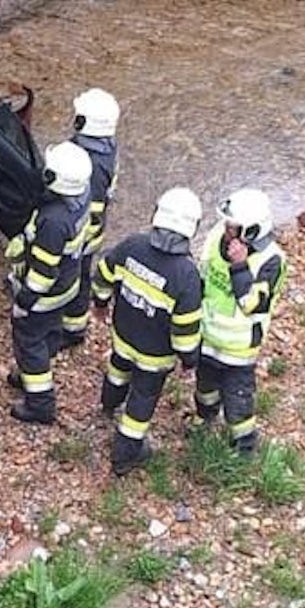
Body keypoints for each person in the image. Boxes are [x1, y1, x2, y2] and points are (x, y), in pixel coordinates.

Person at [91, 187, 204, 475]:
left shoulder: (132, 245)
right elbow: (186, 329)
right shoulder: (187, 274)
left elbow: (103, 274)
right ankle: (125, 455)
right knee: (142, 400)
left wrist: (101, 303)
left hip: (123, 334)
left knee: (117, 370)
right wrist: (189, 359)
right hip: (155, 355)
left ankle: (108, 405)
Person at [193, 188, 288, 456]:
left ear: (251, 231)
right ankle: (205, 417)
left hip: (238, 349)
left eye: (233, 227)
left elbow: (251, 305)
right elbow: (203, 276)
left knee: (238, 403)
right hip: (207, 338)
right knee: (204, 388)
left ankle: (245, 446)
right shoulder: (215, 236)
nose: (226, 230)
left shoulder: (271, 260)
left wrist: (239, 265)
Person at [6, 141, 93, 424]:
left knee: (29, 342)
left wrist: (24, 301)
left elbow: (43, 273)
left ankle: (40, 403)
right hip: (66, 287)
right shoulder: (82, 196)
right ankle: (35, 371)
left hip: (44, 296)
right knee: (50, 334)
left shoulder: (54, 221)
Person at [60, 88, 122, 349]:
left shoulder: (93, 164)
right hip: (88, 231)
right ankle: (74, 324)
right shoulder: (103, 149)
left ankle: (73, 330)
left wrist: (76, 240)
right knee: (78, 276)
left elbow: (91, 209)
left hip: (83, 234)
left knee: (76, 276)